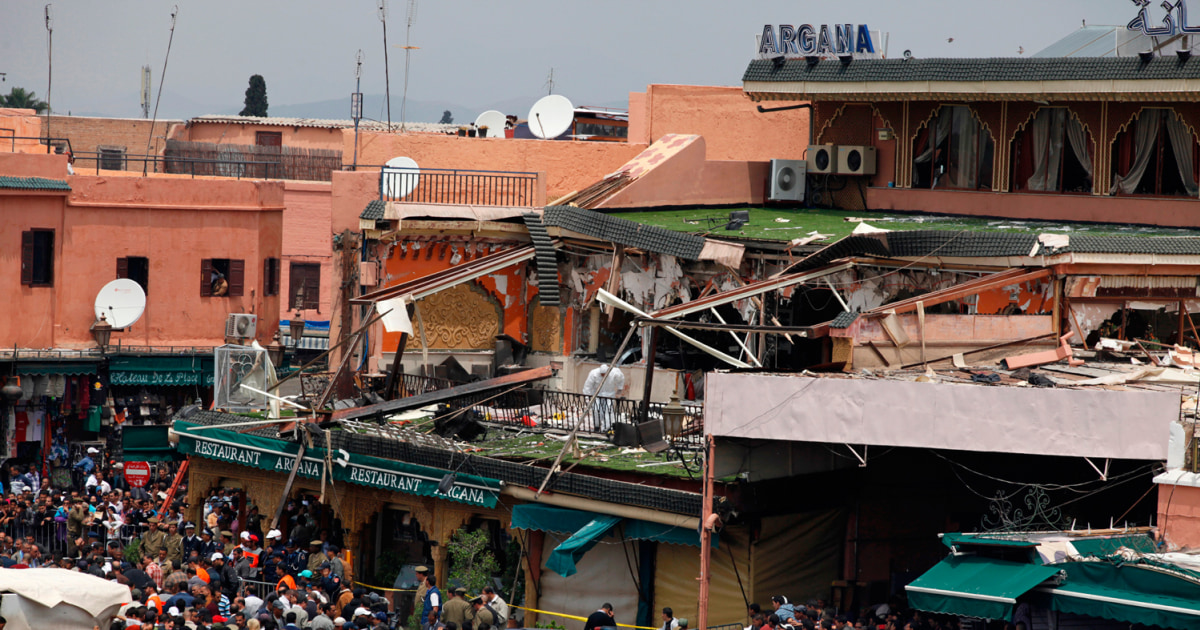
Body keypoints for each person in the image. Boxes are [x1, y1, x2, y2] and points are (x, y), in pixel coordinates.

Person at [581, 365, 626, 431]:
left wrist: (619, 390)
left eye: (604, 374)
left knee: (608, 411)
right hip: (597, 394)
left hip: (609, 394)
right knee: (596, 410)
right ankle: (596, 426)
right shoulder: (594, 373)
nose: (603, 375)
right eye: (602, 374)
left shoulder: (615, 372)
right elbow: (588, 386)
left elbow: (621, 379)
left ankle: (606, 428)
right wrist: (587, 398)